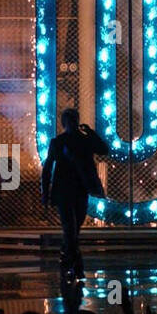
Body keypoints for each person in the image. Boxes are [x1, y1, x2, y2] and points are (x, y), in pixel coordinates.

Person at [41, 108, 109, 282]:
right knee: (72, 229)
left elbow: (48, 168)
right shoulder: (76, 141)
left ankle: (67, 257)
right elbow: (103, 149)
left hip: (70, 190)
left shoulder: (61, 142)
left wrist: (45, 192)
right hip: (76, 189)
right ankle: (75, 264)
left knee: (71, 229)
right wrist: (91, 133)